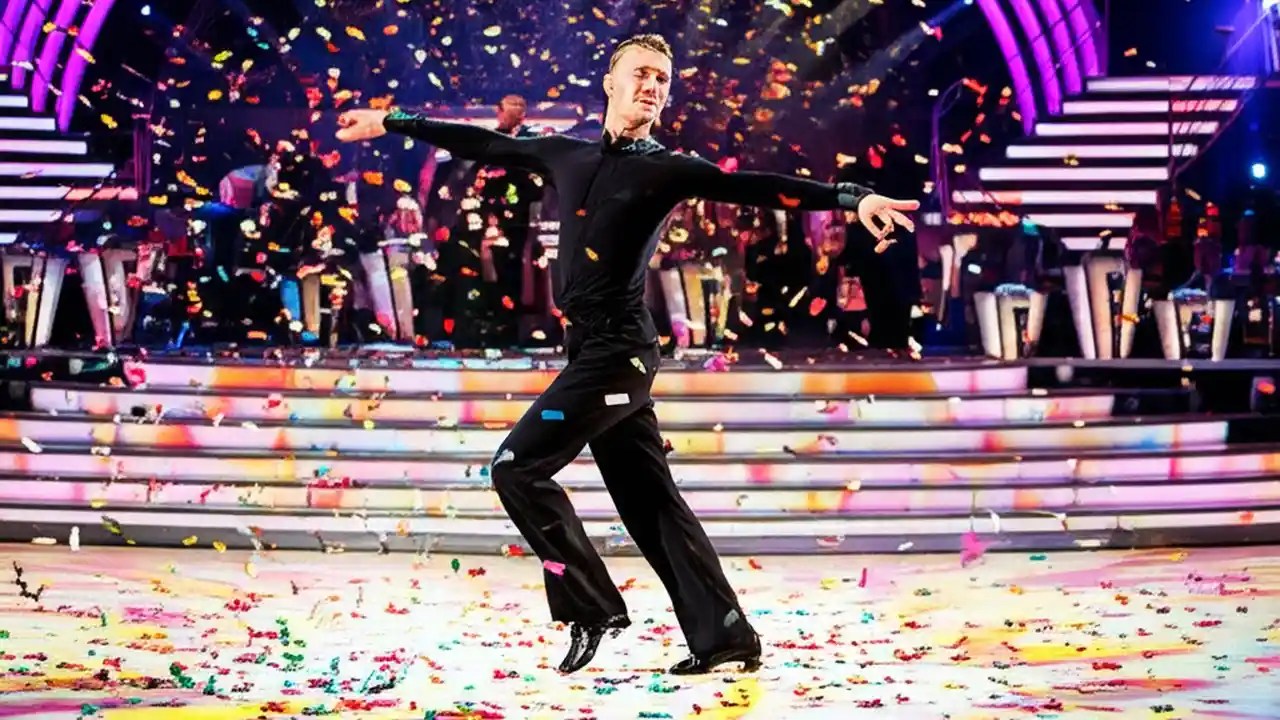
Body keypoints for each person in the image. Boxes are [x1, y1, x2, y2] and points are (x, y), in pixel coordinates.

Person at [336, 33, 918, 675]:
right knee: (651, 502)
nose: (653, 86)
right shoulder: (565, 155)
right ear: (610, 81)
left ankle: (590, 608)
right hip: (587, 348)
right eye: (642, 73)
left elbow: (757, 186)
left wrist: (850, 197)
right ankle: (726, 636)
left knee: (515, 468)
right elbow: (483, 142)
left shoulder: (665, 168)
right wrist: (392, 120)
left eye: (663, 80)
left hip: (620, 355)